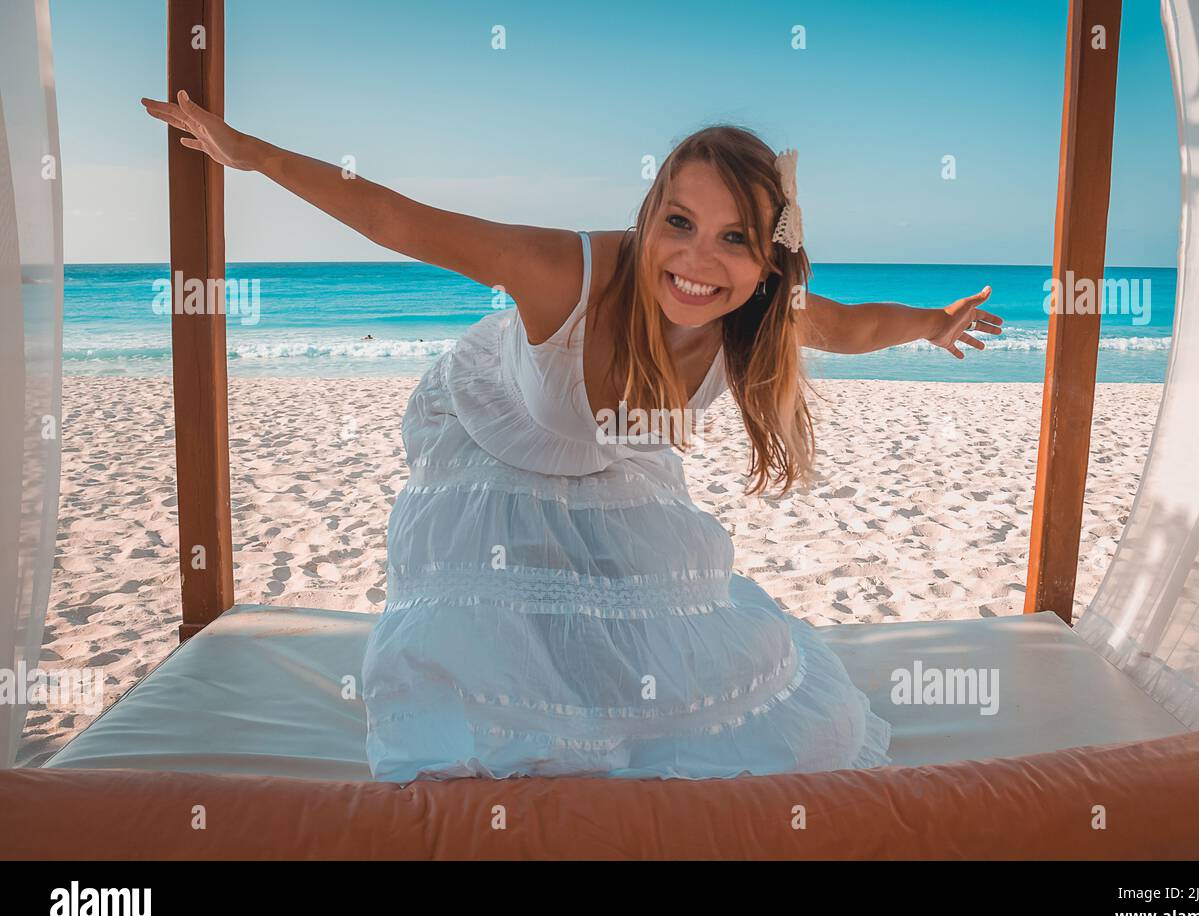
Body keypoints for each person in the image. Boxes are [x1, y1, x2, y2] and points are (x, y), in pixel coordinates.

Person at [141, 91, 1002, 780]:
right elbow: (396, 220)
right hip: (494, 427)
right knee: (489, 614)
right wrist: (248, 154)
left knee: (655, 622)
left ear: (770, 260)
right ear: (647, 216)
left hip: (603, 454)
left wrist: (932, 322)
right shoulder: (566, 273)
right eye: (679, 223)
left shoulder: (759, 318)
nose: (698, 261)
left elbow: (848, 325)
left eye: (734, 237)